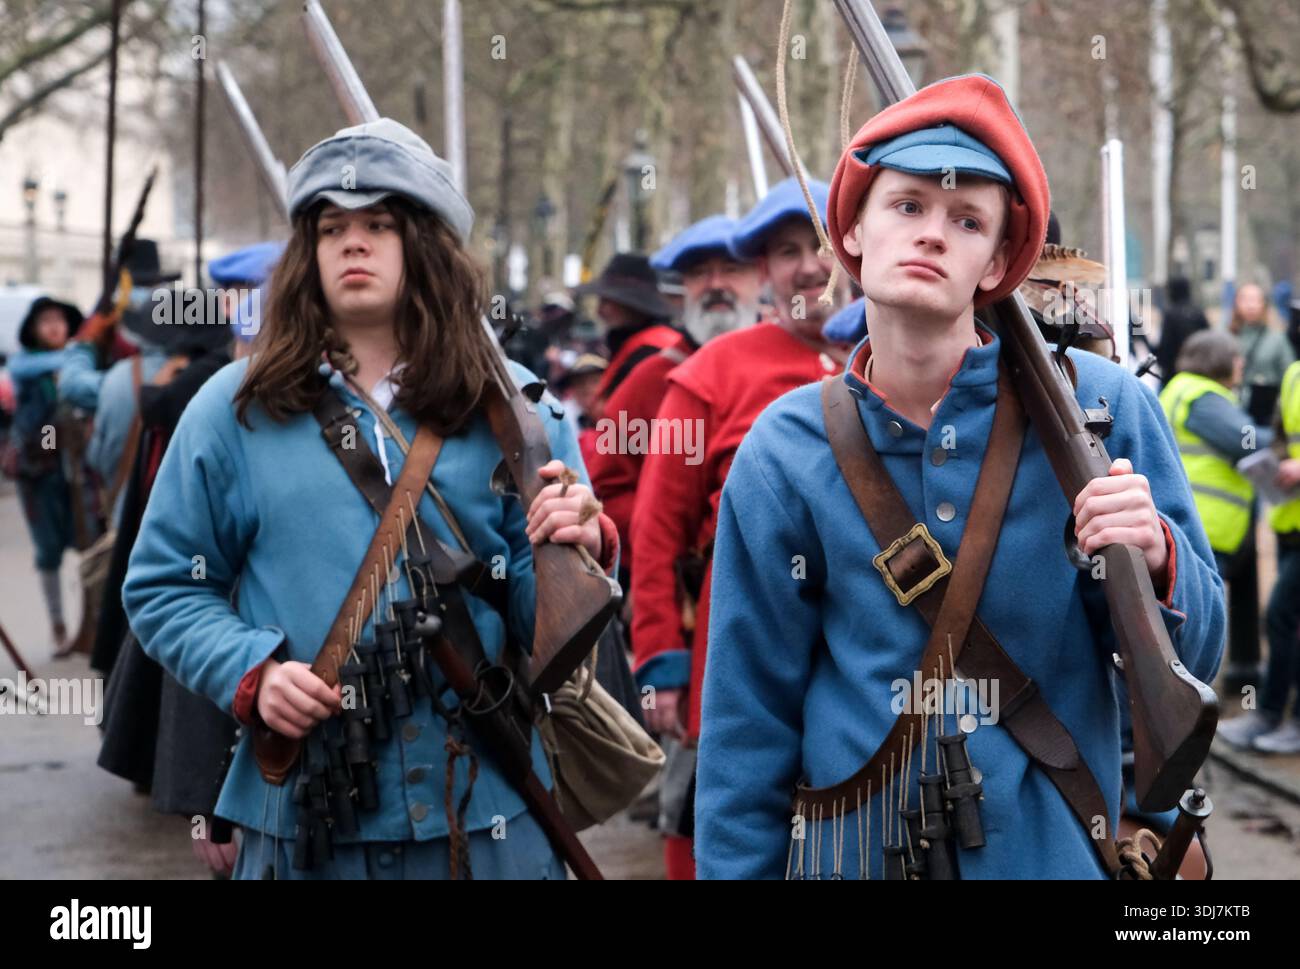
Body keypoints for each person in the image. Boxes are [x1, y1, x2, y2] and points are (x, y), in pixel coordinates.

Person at [695, 74, 1225, 879]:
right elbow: (745, 727)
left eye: (967, 220)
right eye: (906, 206)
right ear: (852, 232)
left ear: (998, 263)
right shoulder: (783, 450)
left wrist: (1156, 557)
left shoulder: (1103, 409)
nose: (932, 234)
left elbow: (1201, 655)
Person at [123, 118, 619, 880]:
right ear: (307, 255)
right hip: (307, 827)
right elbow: (162, 587)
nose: (353, 243)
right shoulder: (232, 410)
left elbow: (540, 629)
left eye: (379, 224)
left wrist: (580, 550)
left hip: (488, 818)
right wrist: (251, 673)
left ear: (423, 245)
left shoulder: (521, 411)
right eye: (332, 227)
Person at [629, 177, 846, 879]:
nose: (809, 264)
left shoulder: (895, 360)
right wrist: (661, 661)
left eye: (820, 242)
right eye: (787, 251)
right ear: (765, 273)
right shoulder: (709, 375)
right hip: (734, 654)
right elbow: (657, 533)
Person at [589, 214, 761, 570]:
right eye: (699, 273)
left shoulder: (794, 366)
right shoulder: (648, 380)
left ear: (761, 276)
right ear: (683, 286)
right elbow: (606, 491)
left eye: (731, 269)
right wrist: (666, 533)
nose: (716, 285)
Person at [1219, 356, 1300, 754]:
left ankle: (1275, 716)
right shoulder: (1293, 373)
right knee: (1284, 619)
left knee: (1282, 615)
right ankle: (1272, 716)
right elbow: (1283, 436)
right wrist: (1282, 461)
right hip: (1290, 520)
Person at [6, 296, 83, 656]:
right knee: (48, 550)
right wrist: (79, 355)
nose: (54, 327)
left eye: (59, 320)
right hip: (38, 473)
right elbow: (26, 370)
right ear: (34, 331)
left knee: (88, 544)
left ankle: (89, 624)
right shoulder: (26, 365)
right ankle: (58, 625)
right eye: (45, 321)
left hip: (76, 471)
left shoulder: (75, 364)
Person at [572, 252, 682, 414]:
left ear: (631, 305)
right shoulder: (638, 346)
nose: (600, 311)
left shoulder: (650, 354)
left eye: (607, 302)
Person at [1230, 282, 1295, 426]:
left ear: (1264, 304)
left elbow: (1289, 374)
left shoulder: (1277, 339)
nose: (1250, 306)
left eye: (1255, 300)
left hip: (1266, 416)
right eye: (1245, 299)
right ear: (1236, 303)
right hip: (1233, 413)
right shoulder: (1226, 338)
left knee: (1254, 443)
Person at [1155, 277, 1209, 388]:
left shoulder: (1171, 314)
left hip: (1173, 374)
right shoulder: (1198, 312)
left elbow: (1166, 346)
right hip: (1198, 372)